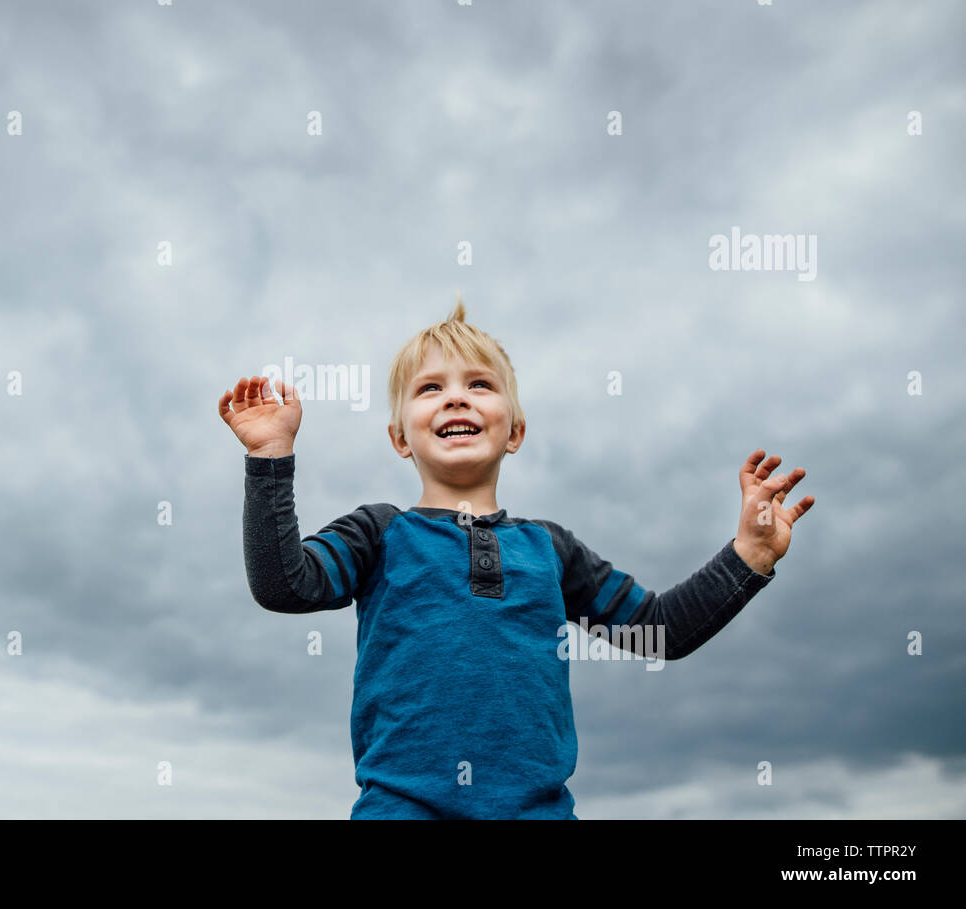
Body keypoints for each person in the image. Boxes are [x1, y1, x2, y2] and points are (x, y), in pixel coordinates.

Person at [217, 296, 815, 819]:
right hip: (399, 809)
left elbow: (660, 631)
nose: (456, 399)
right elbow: (284, 585)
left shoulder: (551, 550)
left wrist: (750, 554)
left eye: (479, 385)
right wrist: (271, 455)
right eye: (431, 389)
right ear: (400, 437)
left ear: (516, 430)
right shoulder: (378, 533)